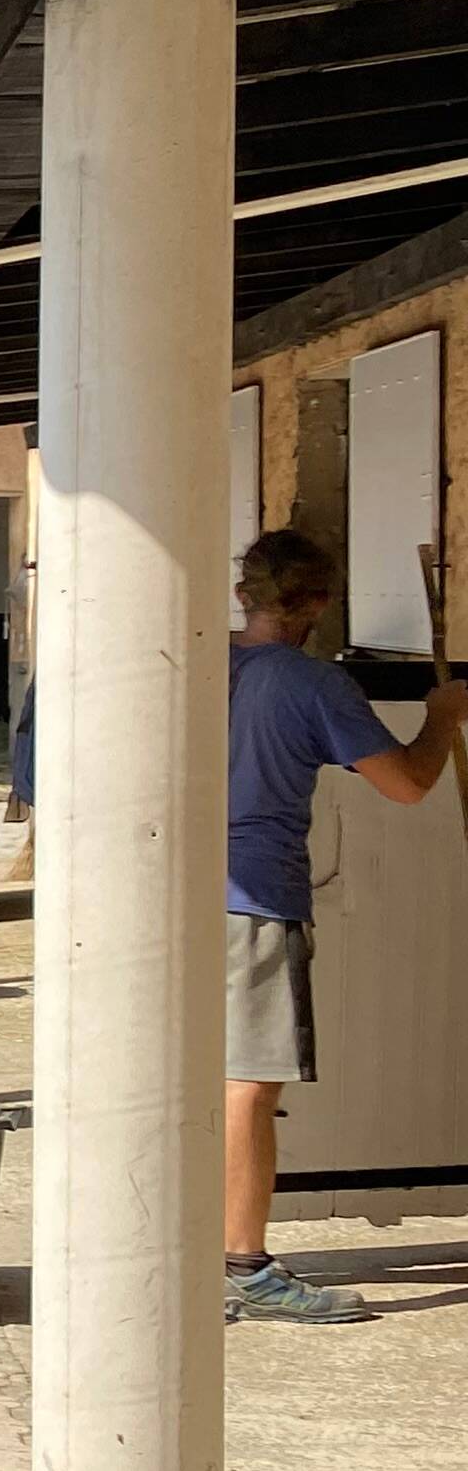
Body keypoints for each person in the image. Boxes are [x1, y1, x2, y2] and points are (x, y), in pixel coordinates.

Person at [218, 527, 467, 1327]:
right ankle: (244, 1268)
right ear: (318, 603)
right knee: (249, 1087)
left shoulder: (199, 658)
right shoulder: (312, 685)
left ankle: (194, 1251)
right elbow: (405, 785)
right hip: (255, 900)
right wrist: (442, 718)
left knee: (196, 1083)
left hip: (171, 897)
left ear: (243, 593)